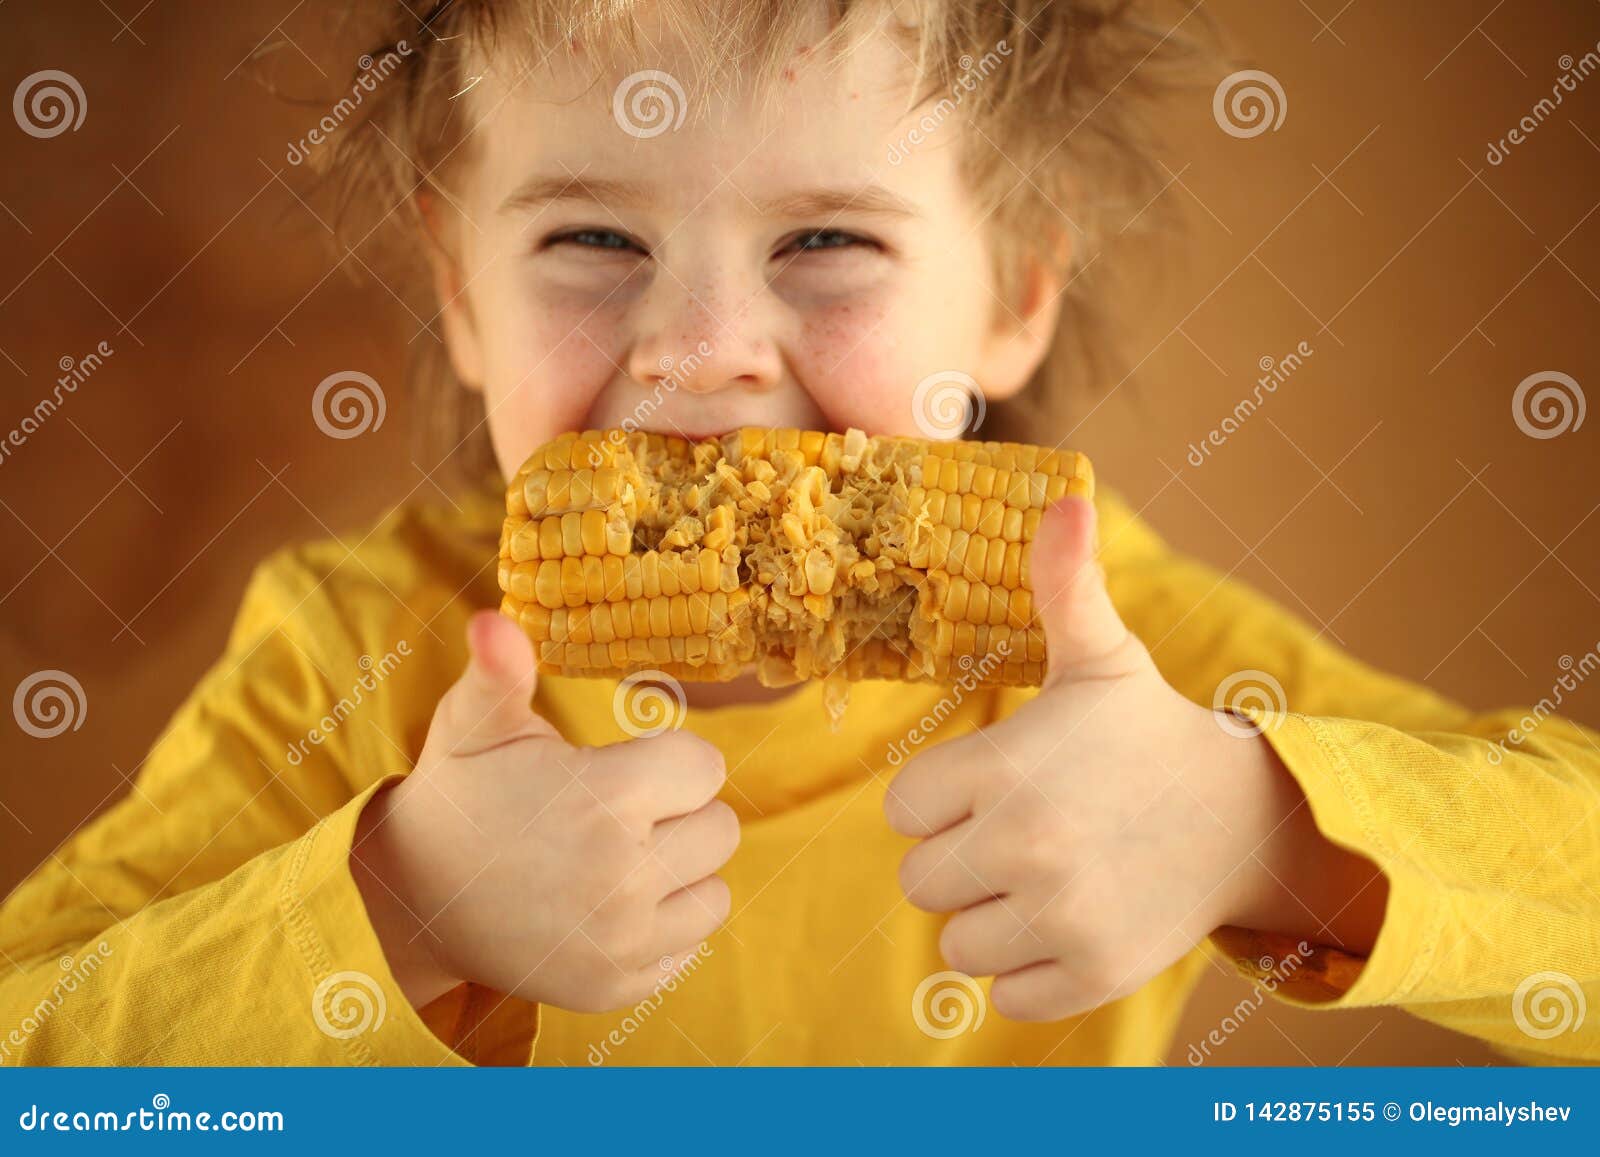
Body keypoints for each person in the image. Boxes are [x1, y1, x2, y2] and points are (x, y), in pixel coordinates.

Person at [3, 0, 1595, 1066]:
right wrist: (398, 907)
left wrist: (1265, 832)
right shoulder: (352, 655)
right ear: (454, 287)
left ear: (1022, 286)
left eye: (827, 239)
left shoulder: (1132, 668)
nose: (700, 348)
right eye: (592, 238)